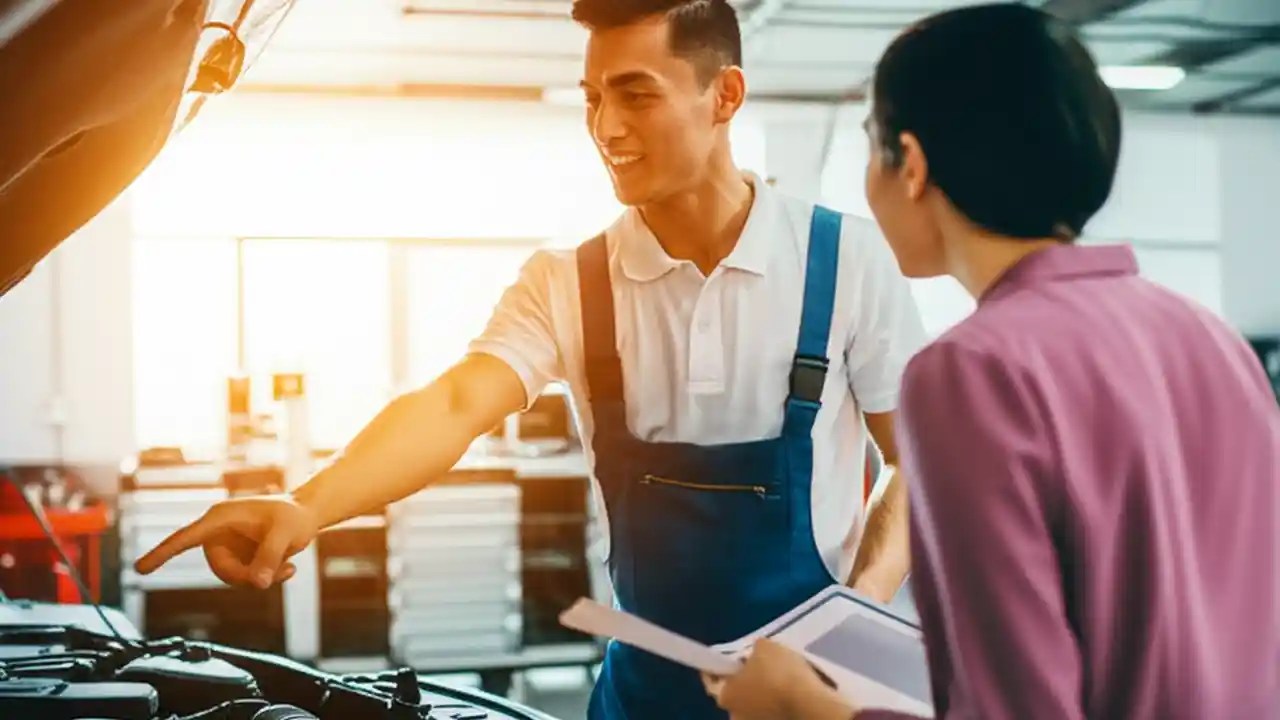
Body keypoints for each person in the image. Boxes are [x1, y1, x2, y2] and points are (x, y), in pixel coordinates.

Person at [134, 1, 929, 718]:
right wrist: (307, 505)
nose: (606, 127)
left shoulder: (845, 262)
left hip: (810, 701)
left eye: (636, 94)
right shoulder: (568, 284)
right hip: (643, 699)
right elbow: (453, 405)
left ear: (722, 97)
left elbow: (915, 465)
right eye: (592, 98)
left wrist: (851, 622)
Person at [703, 3, 1280, 719]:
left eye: (870, 147)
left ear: (910, 166)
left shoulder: (972, 373)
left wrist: (802, 708)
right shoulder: (1212, 340)